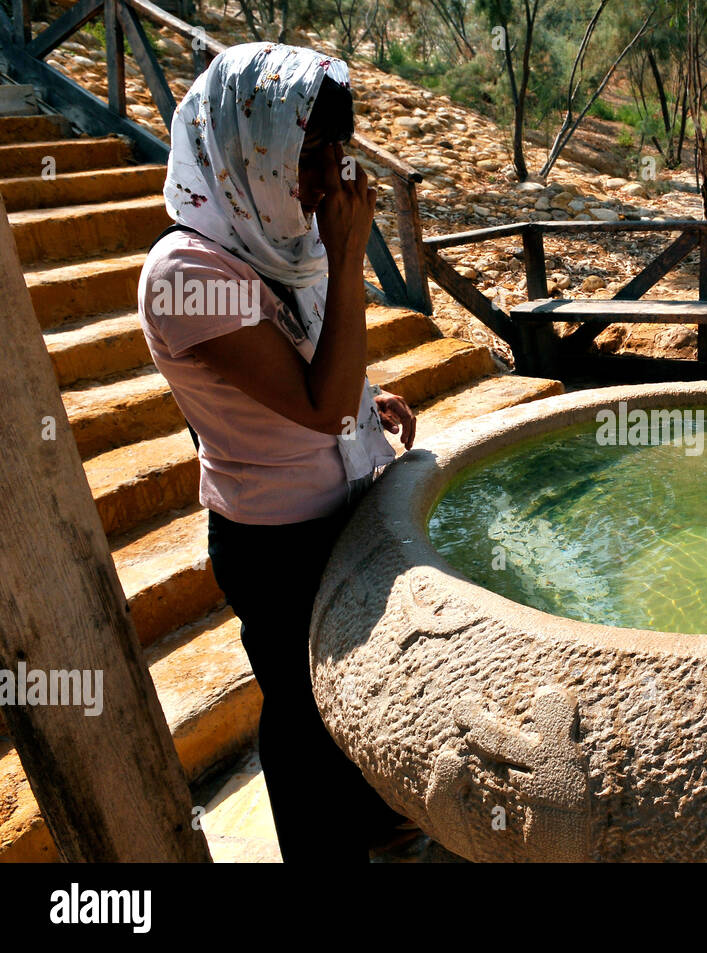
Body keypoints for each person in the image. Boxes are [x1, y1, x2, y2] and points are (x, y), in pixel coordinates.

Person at [138, 42, 416, 862]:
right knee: (302, 715)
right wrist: (351, 254)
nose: (329, 177)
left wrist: (369, 400)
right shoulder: (185, 272)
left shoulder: (274, 238)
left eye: (339, 149)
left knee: (356, 694)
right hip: (278, 541)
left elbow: (319, 373)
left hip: (341, 507)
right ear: (246, 148)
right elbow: (318, 403)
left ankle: (370, 820)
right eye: (310, 154)